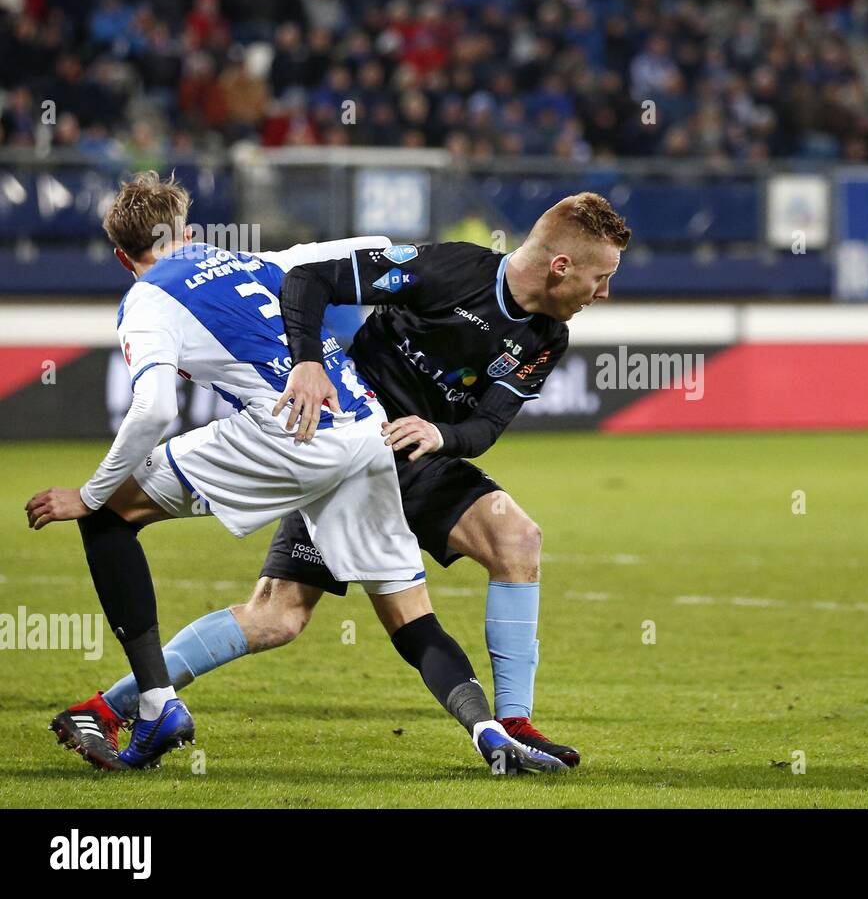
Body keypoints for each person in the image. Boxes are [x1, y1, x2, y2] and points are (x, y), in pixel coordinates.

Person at [51, 189, 629, 769]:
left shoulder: (547, 337)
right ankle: (116, 705)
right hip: (349, 439)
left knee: (515, 540)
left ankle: (512, 728)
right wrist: (307, 360)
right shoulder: (453, 269)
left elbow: (488, 424)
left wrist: (440, 436)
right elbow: (314, 276)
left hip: (408, 453)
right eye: (600, 278)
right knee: (279, 615)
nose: (603, 293)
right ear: (561, 267)